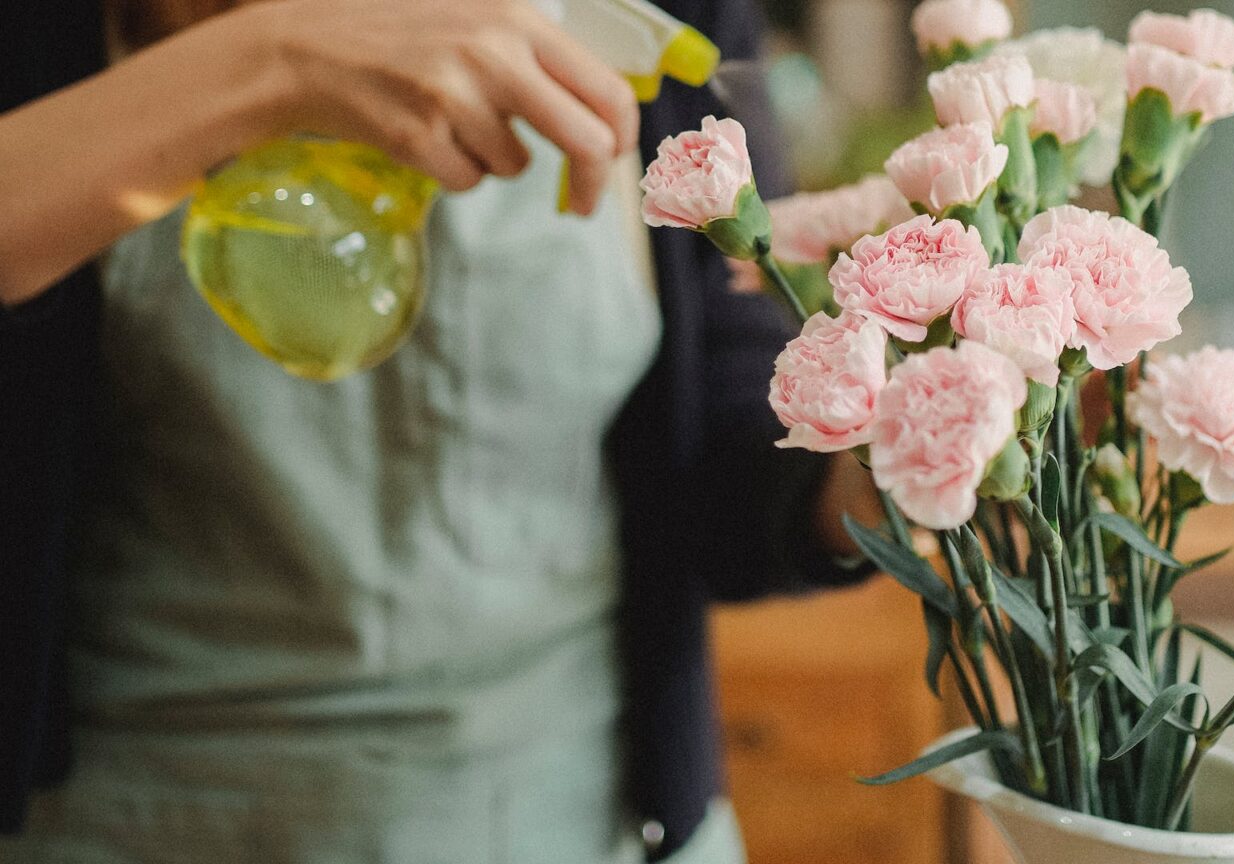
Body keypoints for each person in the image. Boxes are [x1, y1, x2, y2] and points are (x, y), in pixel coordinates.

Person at [0, 0, 877, 861]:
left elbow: (727, 417)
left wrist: (872, 475)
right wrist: (275, 61)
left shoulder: (671, 20)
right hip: (136, 814)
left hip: (576, 812)